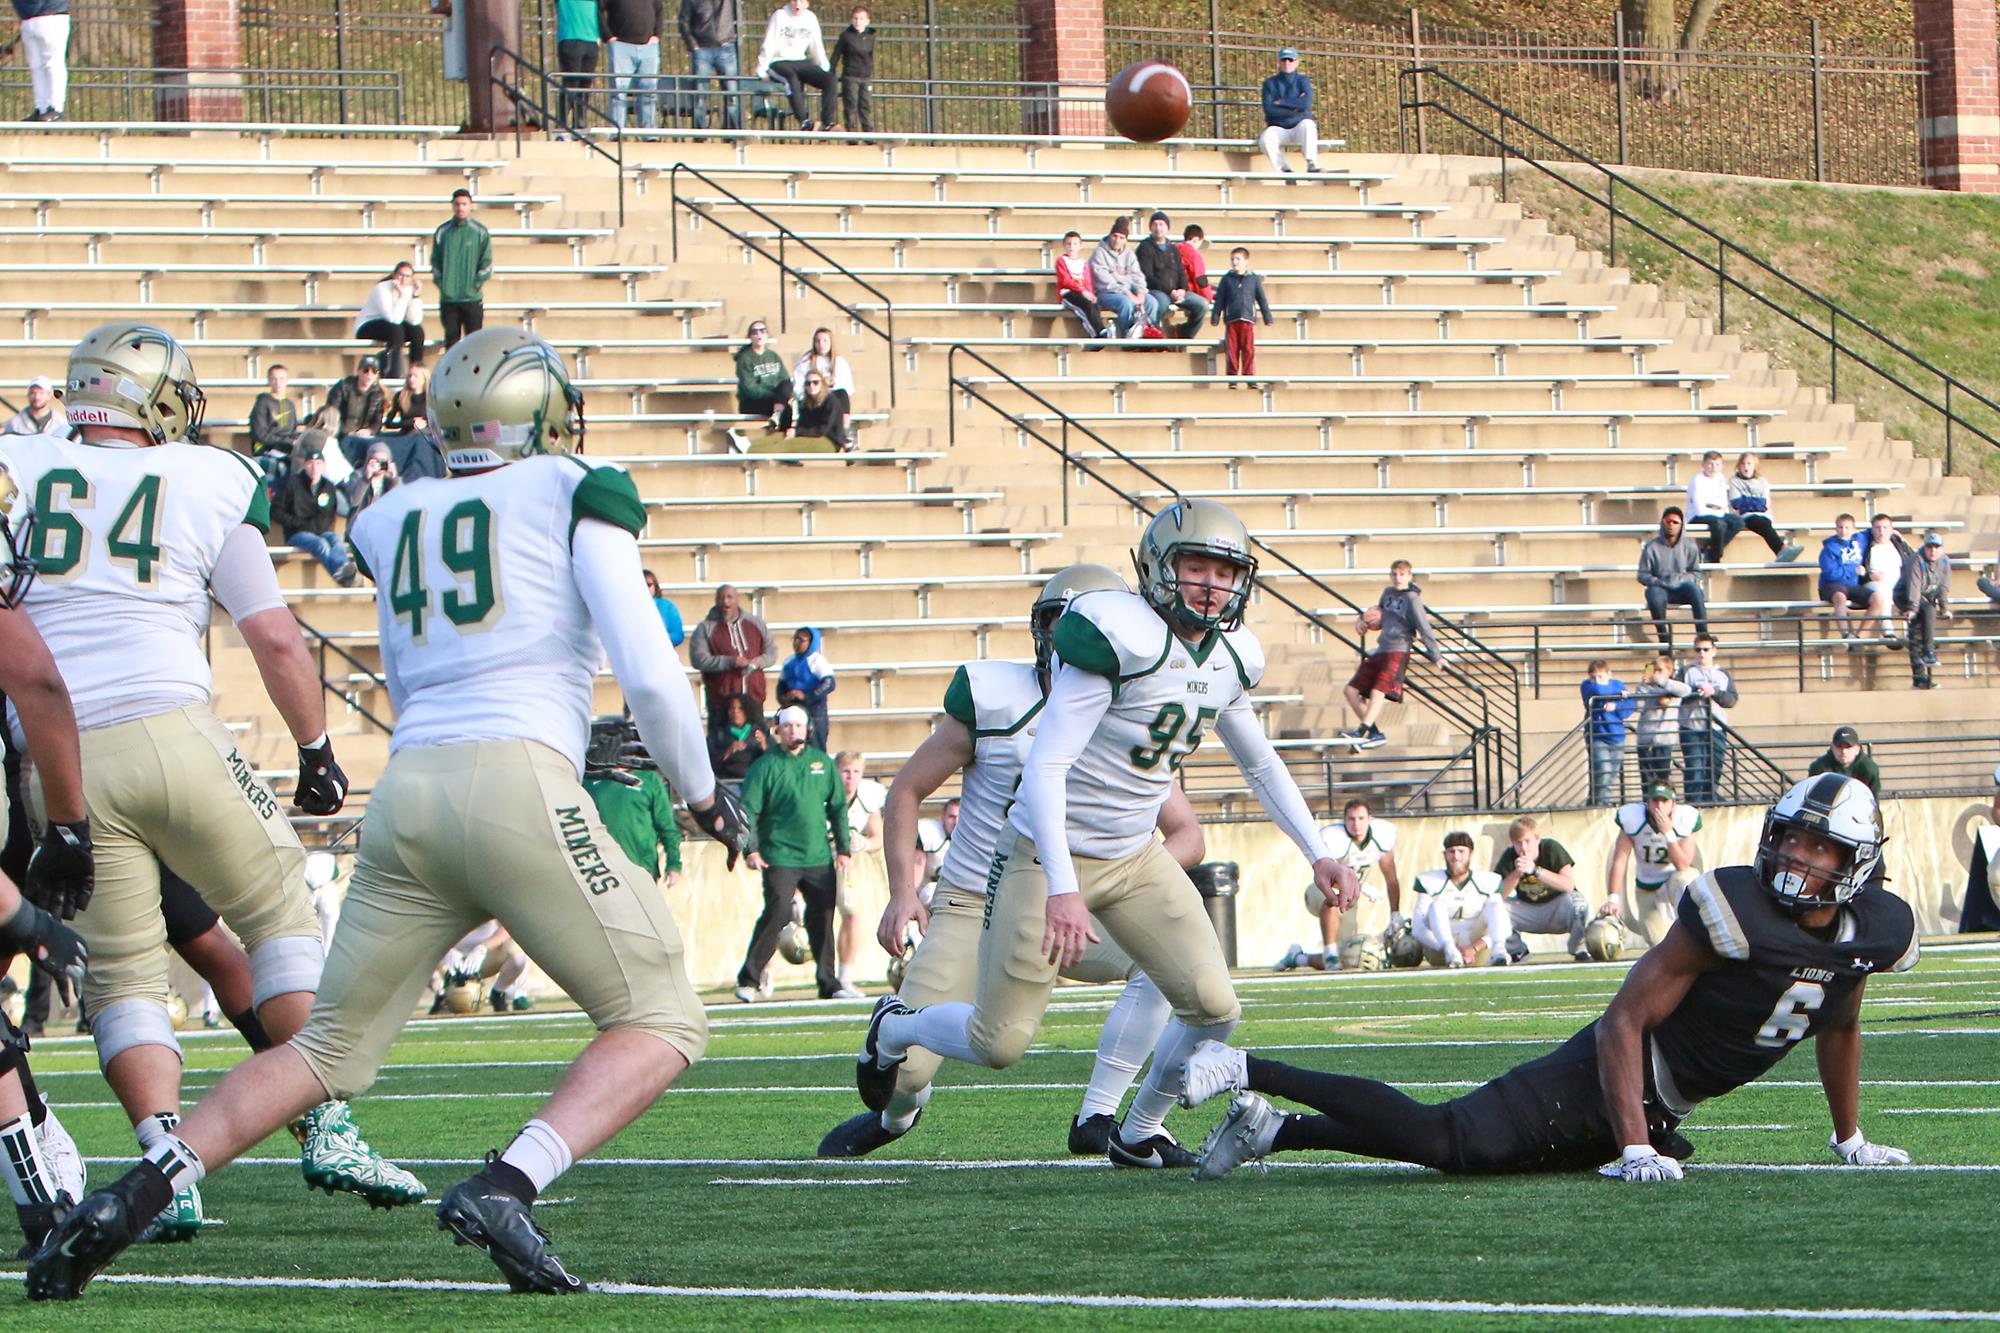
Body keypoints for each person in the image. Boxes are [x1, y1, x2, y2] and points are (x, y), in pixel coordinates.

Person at [27, 327, 751, 1301]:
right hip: (515, 777)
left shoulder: (392, 513)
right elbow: (650, 673)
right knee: (661, 1014)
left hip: (409, 793)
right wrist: (703, 791)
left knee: (324, 1048)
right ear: (537, 414)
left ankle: (134, 1194)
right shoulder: (579, 486)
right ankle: (509, 1182)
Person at [0, 322, 411, 1250]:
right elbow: (270, 633)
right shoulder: (205, 476)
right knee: (280, 917)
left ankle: (161, 1162)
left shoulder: (19, 467)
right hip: (170, 726)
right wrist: (315, 747)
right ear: (152, 396)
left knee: (125, 973)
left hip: (55, 758)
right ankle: (328, 1120)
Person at [857, 500, 1360, 1169]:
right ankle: (896, 1027)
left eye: (1224, 569)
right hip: (1043, 853)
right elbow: (1048, 764)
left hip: (1135, 855)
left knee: (1213, 1005)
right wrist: (1065, 889)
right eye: (1195, 566)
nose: (1211, 583)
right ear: (1156, 568)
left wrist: (1319, 850)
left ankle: (1137, 1125)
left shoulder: (1232, 655)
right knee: (998, 1041)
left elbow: (1260, 762)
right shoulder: (1113, 634)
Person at [1182, 775, 1918, 1185]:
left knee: (1478, 1157)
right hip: (1606, 1077)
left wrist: (1848, 1136)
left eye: (1820, 846)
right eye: (1790, 837)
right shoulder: (1734, 906)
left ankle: (1271, 1128)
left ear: (1854, 862)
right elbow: (1626, 1017)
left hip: (1662, 1109)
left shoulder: (1870, 933)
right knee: (1449, 1138)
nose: (1797, 856)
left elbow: (1841, 1020)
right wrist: (1633, 1141)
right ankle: (1247, 1066)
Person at [819, 566, 1206, 1159]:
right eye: (1062, 625)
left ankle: (1100, 1117)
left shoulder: (1135, 708)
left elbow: (1185, 835)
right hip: (975, 902)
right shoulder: (995, 698)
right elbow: (905, 791)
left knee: (1169, 968)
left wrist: (1110, 881)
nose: (1075, 641)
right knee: (905, 1079)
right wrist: (903, 892)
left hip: (1069, 909)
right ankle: (896, 1118)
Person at [736, 705, 854, 1001]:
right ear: (779, 730)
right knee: (777, 912)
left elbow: (838, 807)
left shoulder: (821, 763)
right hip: (780, 855)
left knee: (823, 918)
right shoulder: (765, 766)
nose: (793, 731)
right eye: (787, 726)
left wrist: (843, 849)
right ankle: (750, 979)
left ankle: (829, 981)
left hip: (817, 856)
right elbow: (748, 810)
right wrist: (751, 849)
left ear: (806, 729)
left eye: (798, 726)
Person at [1275, 797, 1401, 973]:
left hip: (1349, 896)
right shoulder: (1335, 838)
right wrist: (1363, 887)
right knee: (1334, 898)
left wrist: (1396, 913)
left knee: (1349, 956)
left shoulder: (1382, 837)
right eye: (1351, 819)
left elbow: (1392, 879)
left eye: (1361, 818)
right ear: (1344, 821)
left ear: (1370, 819)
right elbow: (1334, 877)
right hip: (1322, 890)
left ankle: (1298, 958)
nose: (1356, 824)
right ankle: (1330, 952)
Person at [1341, 559, 1441, 750]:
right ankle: (1374, 733)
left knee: (1378, 690)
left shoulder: (1412, 599)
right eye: (1395, 574)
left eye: (1402, 574)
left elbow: (1423, 626)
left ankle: (1362, 731)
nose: (1397, 578)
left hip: (1399, 649)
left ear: (1409, 576)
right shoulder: (1387, 593)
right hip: (1382, 648)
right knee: (1351, 690)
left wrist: (1436, 655)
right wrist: (1362, 621)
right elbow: (1377, 614)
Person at [1606, 781, 1701, 946]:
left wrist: (1668, 833)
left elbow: (1683, 864)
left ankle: (1690, 929)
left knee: (1685, 879)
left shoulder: (1685, 818)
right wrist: (1613, 899)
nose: (1659, 806)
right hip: (1648, 887)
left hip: (1674, 879)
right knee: (1658, 944)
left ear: (1673, 804)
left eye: (1664, 801)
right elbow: (1620, 860)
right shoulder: (1633, 819)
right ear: (1647, 803)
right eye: (1655, 801)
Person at [585, 748, 684, 891]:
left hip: (641, 867)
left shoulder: (650, 780)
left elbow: (667, 828)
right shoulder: (590, 781)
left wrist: (673, 865)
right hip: (601, 870)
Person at [1494, 816, 1589, 962]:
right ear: (1512, 843)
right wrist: (1516, 873)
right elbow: (1499, 895)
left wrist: (1536, 870)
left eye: (1527, 841)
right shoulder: (1509, 856)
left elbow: (1569, 885)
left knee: (1579, 903)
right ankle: (1517, 950)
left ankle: (1579, 948)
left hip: (1557, 906)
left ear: (1537, 839)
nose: (1523, 848)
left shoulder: (1551, 848)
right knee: (1495, 907)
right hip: (1528, 909)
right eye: (1518, 843)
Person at [1411, 830, 1511, 967]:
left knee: (1495, 905)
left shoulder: (1488, 881)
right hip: (1441, 951)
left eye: (1461, 851)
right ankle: (1451, 951)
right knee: (1436, 906)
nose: (1456, 857)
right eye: (1451, 851)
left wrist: (1474, 948)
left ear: (1471, 854)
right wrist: (1448, 948)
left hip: (1476, 950)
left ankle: (1499, 951)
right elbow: (1418, 927)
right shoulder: (1428, 881)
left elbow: (1504, 925)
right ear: (1444, 855)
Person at [688, 583, 776, 730]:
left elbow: (772, 652)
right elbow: (699, 659)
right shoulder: (705, 628)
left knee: (757, 745)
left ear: (737, 600)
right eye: (721, 598)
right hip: (721, 702)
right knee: (722, 748)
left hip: (753, 698)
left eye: (729, 597)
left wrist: (757, 662)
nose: (726, 602)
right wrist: (729, 661)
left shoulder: (755, 624)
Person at [272, 439, 360, 586]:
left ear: (323, 466)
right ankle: (341, 571)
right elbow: (275, 511)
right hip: (297, 532)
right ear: (305, 465)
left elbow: (329, 514)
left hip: (321, 530)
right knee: (321, 544)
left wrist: (317, 527)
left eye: (318, 464)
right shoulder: (292, 483)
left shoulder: (328, 487)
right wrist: (297, 523)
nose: (314, 468)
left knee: (336, 540)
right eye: (311, 464)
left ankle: (343, 567)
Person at [835, 749, 883, 992]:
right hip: (817, 859)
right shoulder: (824, 793)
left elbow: (878, 839)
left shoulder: (868, 797)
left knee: (852, 914)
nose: (850, 777)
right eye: (845, 771)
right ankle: (765, 973)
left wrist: (863, 843)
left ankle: (845, 976)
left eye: (855, 772)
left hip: (848, 866)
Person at [754, 0, 835, 131]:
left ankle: (827, 122)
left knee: (830, 79)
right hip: (778, 61)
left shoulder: (810, 18)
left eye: (801, 1)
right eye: (794, 1)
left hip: (800, 61)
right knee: (791, 78)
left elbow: (817, 46)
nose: (797, 4)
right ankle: (803, 121)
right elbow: (769, 42)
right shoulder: (779, 15)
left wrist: (825, 68)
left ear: (807, 3)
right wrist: (762, 67)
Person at [429, 189, 493, 349]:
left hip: (472, 299)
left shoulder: (480, 232)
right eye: (457, 204)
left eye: (464, 204)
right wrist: (443, 284)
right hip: (449, 300)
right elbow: (435, 262)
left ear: (470, 206)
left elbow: (486, 263)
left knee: (475, 343)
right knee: (451, 343)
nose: (460, 208)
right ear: (452, 206)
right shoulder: (442, 232)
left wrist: (474, 285)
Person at [1677, 634, 1734, 805]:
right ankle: (1694, 803)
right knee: (1695, 768)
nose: (1702, 653)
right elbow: (1678, 695)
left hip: (1716, 727)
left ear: (1713, 651)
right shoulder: (1687, 672)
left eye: (1706, 649)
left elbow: (1731, 700)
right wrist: (1696, 691)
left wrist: (1714, 692)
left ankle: (1710, 801)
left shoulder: (1722, 674)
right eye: (1698, 650)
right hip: (1691, 727)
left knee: (1714, 767)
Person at [1637, 507, 1706, 647]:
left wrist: (1681, 579)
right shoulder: (1651, 547)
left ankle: (1703, 636)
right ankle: (1663, 638)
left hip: (1682, 587)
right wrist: (1655, 581)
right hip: (1661, 588)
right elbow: (1642, 574)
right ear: (1663, 523)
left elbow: (1696, 573)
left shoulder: (1690, 546)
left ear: (1681, 525)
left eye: (1675, 522)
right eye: (1668, 521)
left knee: (1696, 591)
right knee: (1653, 595)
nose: (1671, 525)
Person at [1137, 211, 1207, 339]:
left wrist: (1182, 289)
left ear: (1167, 228)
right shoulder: (1144, 247)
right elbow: (1147, 276)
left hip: (1176, 291)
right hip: (1156, 291)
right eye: (1155, 224)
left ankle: (1184, 334)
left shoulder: (1173, 249)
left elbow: (1181, 272)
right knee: (1161, 304)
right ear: (1150, 227)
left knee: (1202, 305)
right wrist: (1170, 291)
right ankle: (1152, 336)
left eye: (1161, 224)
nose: (1158, 228)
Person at [352, 262, 426, 378]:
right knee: (396, 330)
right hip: (367, 325)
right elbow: (393, 319)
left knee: (418, 331)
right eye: (400, 275)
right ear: (394, 275)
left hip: (393, 326)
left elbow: (414, 320)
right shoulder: (382, 288)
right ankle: (392, 372)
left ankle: (416, 371)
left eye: (407, 276)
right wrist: (401, 297)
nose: (403, 279)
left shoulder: (409, 290)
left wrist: (415, 297)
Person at [1724, 452, 1801, 561]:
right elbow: (1737, 503)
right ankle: (1782, 548)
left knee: (1763, 522)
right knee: (1760, 522)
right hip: (1745, 517)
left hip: (1763, 516)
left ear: (1755, 465)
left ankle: (1781, 550)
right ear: (1739, 466)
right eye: (1743, 464)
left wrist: (1748, 502)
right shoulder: (1734, 481)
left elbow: (1764, 503)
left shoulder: (1763, 481)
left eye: (1749, 464)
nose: (1746, 467)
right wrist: (1756, 503)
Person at [1579, 658, 1635, 807]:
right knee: (1603, 771)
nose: (1596, 681)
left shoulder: (1618, 685)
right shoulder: (1587, 686)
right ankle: (1600, 805)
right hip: (1597, 736)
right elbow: (1597, 691)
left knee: (1610, 775)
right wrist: (1618, 695)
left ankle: (1593, 803)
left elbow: (1631, 704)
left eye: (1600, 676)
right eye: (1593, 677)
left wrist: (1616, 705)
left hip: (1616, 736)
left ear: (1609, 674)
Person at [1210, 246, 1272, 381]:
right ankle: (1232, 377)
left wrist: (1267, 317)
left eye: (1238, 259)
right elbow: (1219, 300)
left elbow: (1261, 299)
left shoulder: (1253, 279)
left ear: (1246, 261)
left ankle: (1249, 376)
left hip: (1247, 319)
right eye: (1232, 259)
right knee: (1232, 349)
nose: (1235, 262)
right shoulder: (1226, 279)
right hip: (1231, 319)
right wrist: (1215, 317)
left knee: (1248, 349)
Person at [678, 0, 741, 130]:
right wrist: (693, 45)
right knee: (700, 95)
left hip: (726, 46)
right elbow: (683, 21)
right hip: (702, 49)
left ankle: (733, 134)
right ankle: (700, 135)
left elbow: (737, 15)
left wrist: (734, 39)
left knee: (732, 95)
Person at [601, 0, 664, 129]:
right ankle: (616, 131)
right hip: (621, 47)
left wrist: (657, 35)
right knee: (619, 92)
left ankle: (649, 133)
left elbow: (659, 10)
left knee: (649, 92)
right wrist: (607, 36)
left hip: (648, 47)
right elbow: (599, 10)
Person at [1630, 651, 1688, 791]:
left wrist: (1662, 682)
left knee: (1663, 779)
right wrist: (1645, 685)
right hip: (1646, 739)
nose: (1656, 673)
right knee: (1647, 779)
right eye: (1655, 670)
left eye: (1660, 670)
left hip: (1664, 739)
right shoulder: (1646, 687)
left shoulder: (1673, 686)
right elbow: (1638, 705)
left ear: (1669, 672)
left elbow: (1685, 691)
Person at [1901, 530, 1950, 690]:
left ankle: (1921, 678)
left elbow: (1944, 586)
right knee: (1921, 622)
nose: (1933, 551)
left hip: (1925, 599)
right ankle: (1928, 653)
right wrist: (1912, 608)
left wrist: (1944, 607)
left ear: (1941, 549)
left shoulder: (1944, 562)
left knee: (1919, 630)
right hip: (1906, 596)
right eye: (1930, 547)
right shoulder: (1916, 560)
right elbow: (1913, 586)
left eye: (1936, 547)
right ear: (1925, 547)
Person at [1258, 48, 1319, 174]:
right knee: (1265, 140)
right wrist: (1296, 107)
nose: (1287, 63)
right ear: (1279, 62)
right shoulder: (1270, 83)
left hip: (1299, 126)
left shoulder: (1303, 81)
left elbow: (1306, 103)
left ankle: (1311, 163)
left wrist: (1281, 103)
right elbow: (1269, 110)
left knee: (1308, 125)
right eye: (1284, 59)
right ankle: (1284, 169)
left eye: (1290, 59)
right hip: (1278, 127)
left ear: (1297, 62)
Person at [730, 320, 791, 443]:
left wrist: (788, 397)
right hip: (752, 402)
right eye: (754, 332)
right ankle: (781, 442)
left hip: (775, 401)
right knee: (786, 408)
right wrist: (777, 397)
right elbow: (750, 389)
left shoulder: (773, 356)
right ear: (750, 336)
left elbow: (784, 380)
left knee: (787, 387)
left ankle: (779, 428)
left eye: (762, 331)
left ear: (767, 335)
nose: (759, 334)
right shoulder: (745, 358)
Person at [776, 626, 835, 751]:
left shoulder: (817, 661)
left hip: (815, 711)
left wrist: (807, 696)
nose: (796, 643)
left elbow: (829, 683)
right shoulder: (789, 662)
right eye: (795, 639)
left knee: (815, 747)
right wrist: (783, 698)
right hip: (794, 708)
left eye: (801, 640)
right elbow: (781, 685)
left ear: (811, 642)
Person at [321, 356, 386, 465]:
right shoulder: (342, 387)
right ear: (358, 371)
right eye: (366, 370)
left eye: (374, 371)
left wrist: (369, 431)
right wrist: (344, 432)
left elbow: (377, 421)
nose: (369, 374)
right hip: (339, 434)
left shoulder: (378, 394)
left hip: (362, 437)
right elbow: (331, 414)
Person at [1087, 218, 1146, 339]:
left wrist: (1141, 293)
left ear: (1126, 240)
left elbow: (1137, 275)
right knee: (1125, 303)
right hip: (1105, 293)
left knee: (1151, 302)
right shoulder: (1099, 253)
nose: (1117, 240)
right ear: (1110, 235)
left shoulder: (1129, 254)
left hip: (1128, 291)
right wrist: (1127, 292)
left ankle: (1146, 335)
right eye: (1115, 236)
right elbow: (1103, 280)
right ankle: (1128, 338)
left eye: (1121, 237)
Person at [11, 0, 68, 122]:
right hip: (28, 19)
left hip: (51, 16)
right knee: (36, 66)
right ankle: (41, 108)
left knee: (53, 63)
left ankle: (56, 108)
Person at [1817, 511, 1868, 645]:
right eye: (1840, 527)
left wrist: (1895, 534)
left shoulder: (1860, 540)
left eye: (1847, 528)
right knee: (1839, 597)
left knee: (1878, 599)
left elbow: (1877, 529)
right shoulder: (1829, 548)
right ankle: (1845, 634)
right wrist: (1853, 570)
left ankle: (1858, 636)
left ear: (1854, 529)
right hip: (1831, 586)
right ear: (1835, 528)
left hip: (1853, 586)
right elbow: (1830, 573)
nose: (1843, 531)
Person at [1056, 231, 1111, 340]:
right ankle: (1097, 334)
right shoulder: (1061, 261)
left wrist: (1090, 293)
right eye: (1069, 244)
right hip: (1067, 293)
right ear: (1064, 245)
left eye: (1075, 244)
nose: (1071, 247)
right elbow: (1066, 280)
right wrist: (1082, 291)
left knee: (1093, 304)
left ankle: (1100, 333)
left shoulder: (1083, 263)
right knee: (1085, 305)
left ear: (1080, 246)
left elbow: (1087, 281)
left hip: (1082, 292)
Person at [555, 0, 601, 124]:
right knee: (571, 83)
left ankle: (580, 122)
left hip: (591, 41)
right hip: (570, 39)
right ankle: (561, 124)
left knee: (585, 84)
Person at [708, 691, 769, 782]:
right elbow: (710, 763)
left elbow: (773, 760)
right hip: (728, 782)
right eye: (732, 708)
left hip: (755, 780)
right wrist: (729, 752)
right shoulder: (719, 734)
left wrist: (764, 746)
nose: (735, 712)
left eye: (740, 709)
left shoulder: (760, 732)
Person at [247, 365, 300, 470]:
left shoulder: (290, 404)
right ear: (269, 381)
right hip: (266, 451)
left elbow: (293, 430)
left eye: (281, 379)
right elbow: (260, 434)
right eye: (274, 379)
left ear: (287, 380)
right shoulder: (262, 403)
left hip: (287, 451)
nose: (278, 382)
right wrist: (287, 442)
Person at [830, 5, 873, 132]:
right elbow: (836, 54)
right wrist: (831, 69)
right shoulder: (846, 36)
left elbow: (870, 56)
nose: (858, 22)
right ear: (851, 20)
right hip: (850, 76)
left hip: (865, 77)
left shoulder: (870, 37)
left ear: (867, 21)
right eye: (855, 19)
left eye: (861, 19)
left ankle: (868, 133)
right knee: (851, 105)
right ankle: (852, 133)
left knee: (865, 105)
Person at [1809, 725, 1880, 797]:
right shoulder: (1819, 768)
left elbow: (1873, 800)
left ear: (1857, 749)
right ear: (1832, 748)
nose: (1843, 751)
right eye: (1839, 747)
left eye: (1848, 747)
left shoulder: (1869, 770)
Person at [790, 326, 855, 399]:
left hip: (834, 400)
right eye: (818, 341)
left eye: (825, 341)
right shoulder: (806, 361)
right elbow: (798, 385)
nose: (821, 344)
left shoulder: (840, 362)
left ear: (831, 342)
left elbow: (847, 387)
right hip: (812, 400)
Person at [343, 440, 399, 520]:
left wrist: (394, 481)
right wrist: (365, 480)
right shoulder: (357, 476)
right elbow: (353, 501)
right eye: (376, 461)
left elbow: (398, 503)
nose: (380, 465)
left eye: (383, 461)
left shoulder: (391, 480)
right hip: (358, 524)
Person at [913, 796, 956, 900]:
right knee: (930, 892)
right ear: (943, 817)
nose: (956, 821)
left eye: (960, 816)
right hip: (931, 890)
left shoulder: (973, 838)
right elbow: (916, 875)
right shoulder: (931, 833)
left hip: (960, 891)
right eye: (952, 816)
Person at [642, 569, 686, 647]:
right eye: (642, 585)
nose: (645, 588)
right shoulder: (628, 609)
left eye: (649, 585)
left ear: (655, 587)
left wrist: (658, 640)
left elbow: (678, 635)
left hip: (663, 654)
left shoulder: (668, 607)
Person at [1175, 225, 1216, 303]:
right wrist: (1209, 297)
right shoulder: (1194, 254)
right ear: (1195, 240)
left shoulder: (1175, 249)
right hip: (1188, 291)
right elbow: (1200, 279)